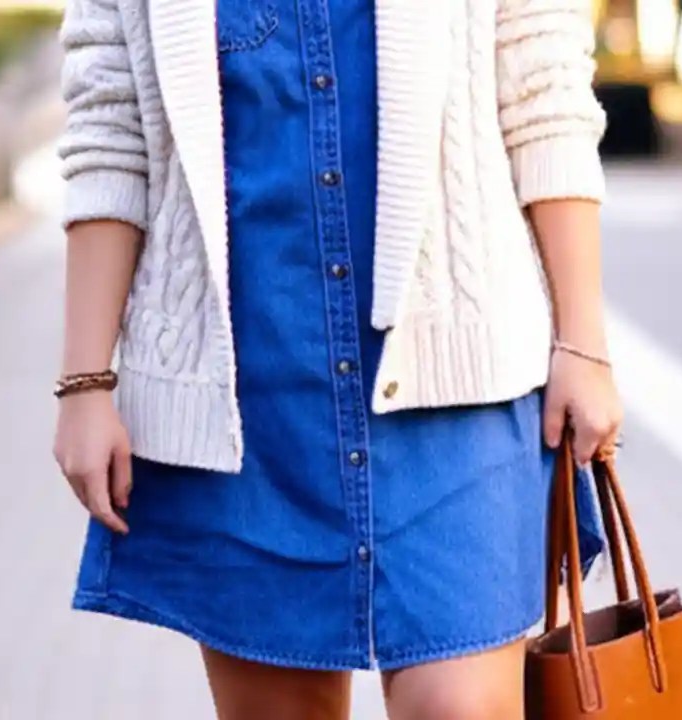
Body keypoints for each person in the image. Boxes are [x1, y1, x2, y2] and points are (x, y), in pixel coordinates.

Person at [51, 0, 622, 717]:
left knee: (460, 708)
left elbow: (546, 91)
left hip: (456, 376)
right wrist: (85, 382)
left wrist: (583, 344)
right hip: (252, 405)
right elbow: (108, 128)